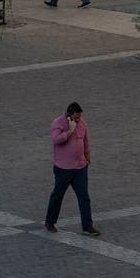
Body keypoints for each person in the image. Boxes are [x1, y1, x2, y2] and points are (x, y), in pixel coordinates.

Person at [44, 101, 99, 236]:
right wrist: (70, 131)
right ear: (69, 115)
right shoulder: (58, 123)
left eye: (79, 117)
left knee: (84, 197)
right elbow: (56, 140)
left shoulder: (83, 124)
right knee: (58, 195)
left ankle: (87, 226)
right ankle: (50, 222)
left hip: (80, 167)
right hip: (63, 168)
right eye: (76, 117)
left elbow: (85, 141)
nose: (78, 120)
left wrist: (87, 156)